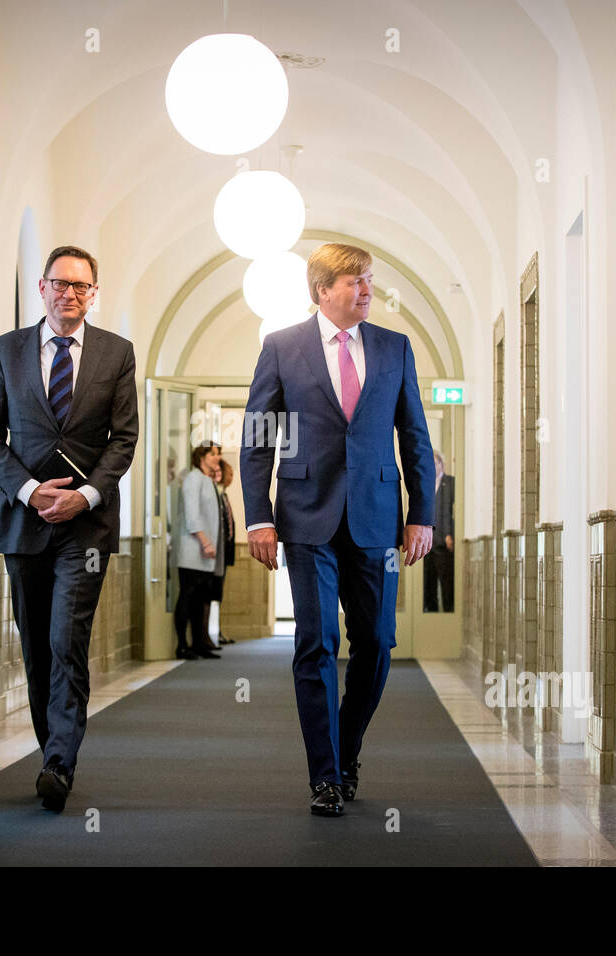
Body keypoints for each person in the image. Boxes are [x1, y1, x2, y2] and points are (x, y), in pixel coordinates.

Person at [240, 242, 434, 817]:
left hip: (377, 520)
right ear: (323, 290)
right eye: (356, 282)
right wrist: (259, 516)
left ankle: (347, 752)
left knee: (376, 643)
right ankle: (324, 775)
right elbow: (258, 438)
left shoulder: (395, 348)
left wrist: (421, 513)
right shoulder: (281, 348)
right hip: (306, 517)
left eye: (370, 280)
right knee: (317, 643)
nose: (368, 291)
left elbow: (415, 437)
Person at [0, 245, 138, 812]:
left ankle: (59, 763)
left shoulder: (116, 354)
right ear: (41, 287)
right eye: (61, 284)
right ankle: (53, 753)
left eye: (82, 287)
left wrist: (86, 495)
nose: (71, 294)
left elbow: (124, 439)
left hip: (85, 529)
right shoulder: (6, 352)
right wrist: (29, 490)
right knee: (37, 644)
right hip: (24, 521)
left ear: (94, 294)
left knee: (67, 639)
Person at [175, 442, 223, 660]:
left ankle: (198, 643)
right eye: (213, 454)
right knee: (187, 595)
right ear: (201, 457)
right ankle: (182, 646)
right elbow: (192, 515)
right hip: (193, 550)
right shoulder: (194, 478)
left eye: (218, 454)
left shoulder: (208, 480)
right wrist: (205, 542)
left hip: (206, 552)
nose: (217, 457)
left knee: (200, 599)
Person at [422, 449, 455, 613]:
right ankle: (431, 615)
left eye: (435, 463)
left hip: (443, 543)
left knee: (447, 583)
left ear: (442, 465)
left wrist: (450, 534)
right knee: (428, 585)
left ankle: (448, 614)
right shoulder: (425, 484)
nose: (432, 467)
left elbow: (452, 512)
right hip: (427, 545)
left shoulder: (450, 483)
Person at [212, 460, 237, 644]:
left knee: (218, 594)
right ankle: (212, 633)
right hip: (214, 553)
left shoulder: (224, 495)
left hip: (225, 551)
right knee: (213, 594)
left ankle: (216, 631)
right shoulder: (216, 494)